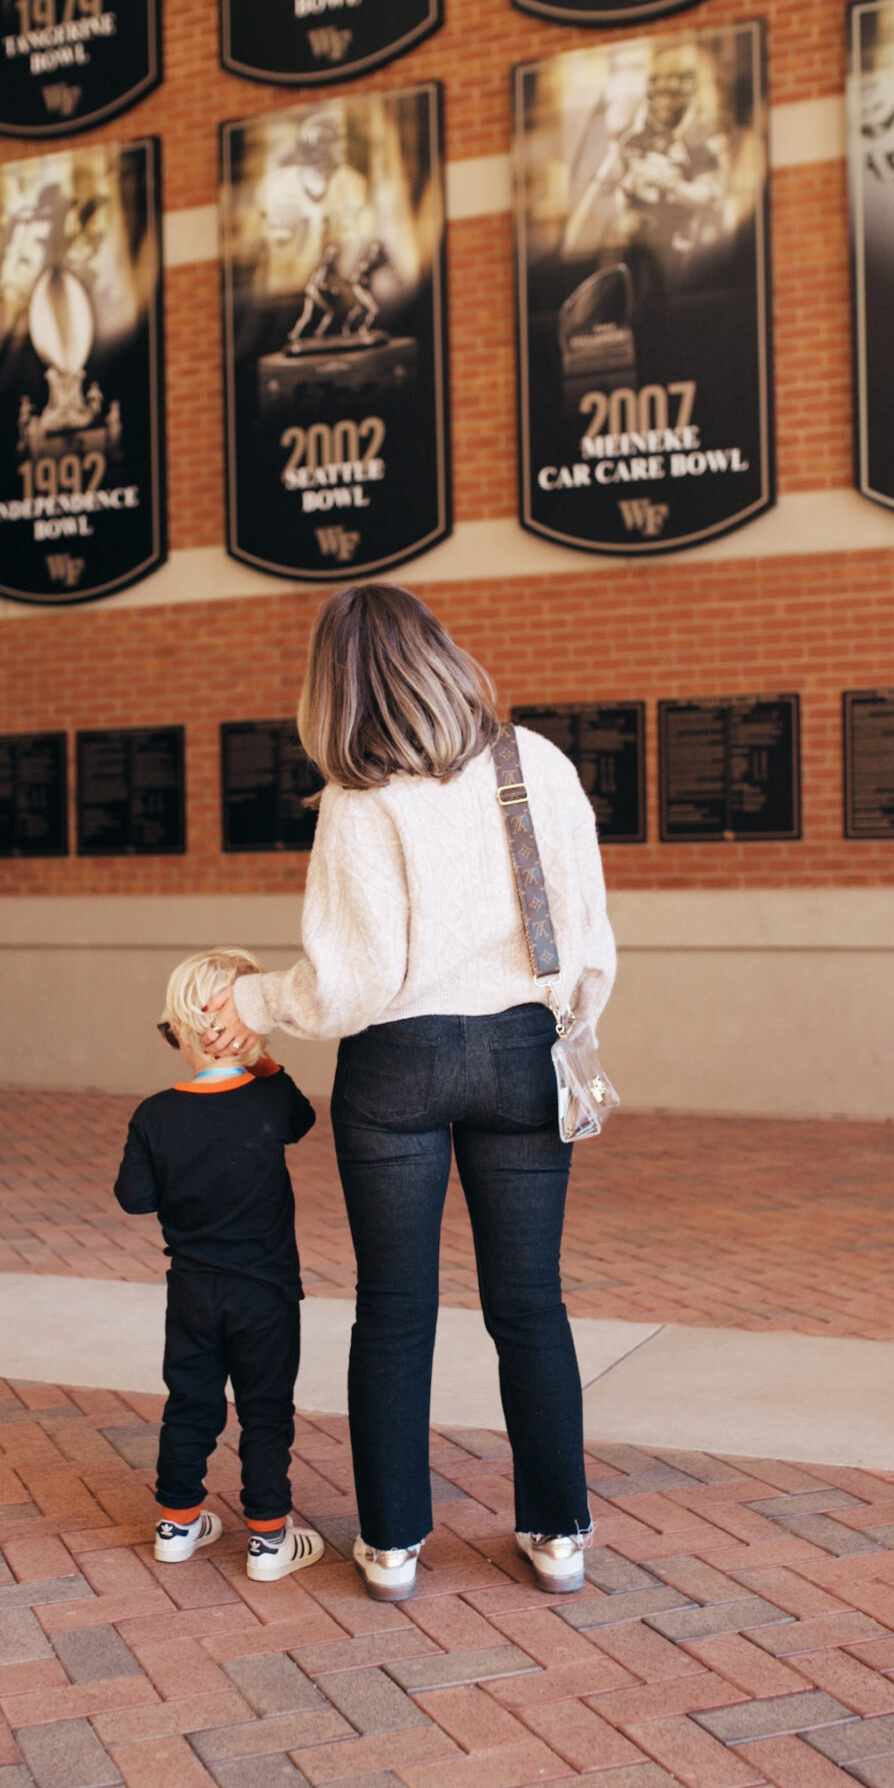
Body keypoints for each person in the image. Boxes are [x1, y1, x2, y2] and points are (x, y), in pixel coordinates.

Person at [203, 589, 617, 1602]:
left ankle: (391, 1544)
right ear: (441, 658)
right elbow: (589, 940)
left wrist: (251, 1001)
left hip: (397, 1063)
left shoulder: (360, 799)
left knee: (394, 1308)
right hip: (522, 1052)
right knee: (531, 1303)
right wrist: (562, 1022)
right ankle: (558, 1534)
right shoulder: (535, 763)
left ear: (335, 689)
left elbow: (350, 984)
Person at [114, 949, 324, 1583]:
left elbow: (134, 1198)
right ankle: (268, 1539)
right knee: (266, 1412)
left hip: (192, 1291)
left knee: (190, 1404)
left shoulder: (155, 1114)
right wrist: (262, 1062)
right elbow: (304, 1118)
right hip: (265, 1293)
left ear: (179, 1031)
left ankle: (177, 1525)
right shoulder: (268, 1101)